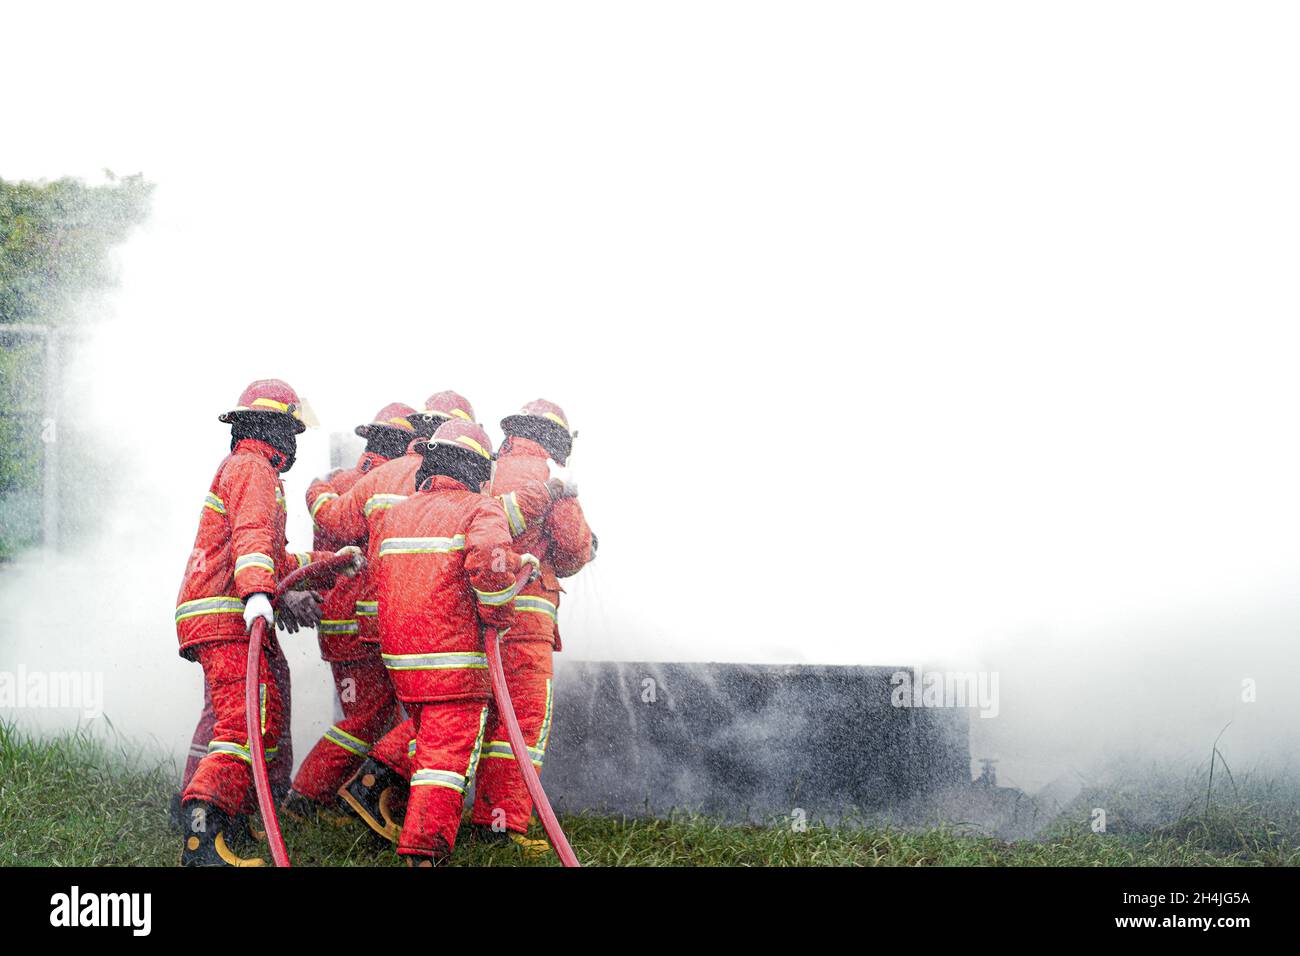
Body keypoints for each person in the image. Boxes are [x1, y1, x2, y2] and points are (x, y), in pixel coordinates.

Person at [175, 379, 360, 866]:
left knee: (264, 709)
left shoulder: (246, 468)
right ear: (274, 430)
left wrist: (329, 562)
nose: (296, 445)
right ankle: (202, 837)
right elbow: (254, 542)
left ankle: (232, 824)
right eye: (293, 433)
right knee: (246, 721)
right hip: (228, 613)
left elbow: (273, 555)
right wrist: (259, 593)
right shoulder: (254, 470)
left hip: (225, 611)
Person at [367, 419, 536, 864]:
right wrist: (499, 611)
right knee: (444, 762)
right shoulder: (481, 508)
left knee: (428, 746)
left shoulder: (396, 513)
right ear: (480, 470)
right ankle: (423, 853)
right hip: (455, 662)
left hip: (404, 664)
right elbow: (490, 566)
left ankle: (376, 789)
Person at [467, 399, 595, 855]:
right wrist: (588, 545)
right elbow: (573, 549)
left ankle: (384, 771)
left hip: (476, 618)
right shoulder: (548, 478)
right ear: (555, 440)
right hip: (526, 623)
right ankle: (500, 828)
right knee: (521, 724)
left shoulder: (482, 468)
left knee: (462, 712)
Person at [282, 402, 419, 823]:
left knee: (369, 716)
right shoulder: (387, 489)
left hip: (340, 625)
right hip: (362, 627)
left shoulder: (338, 483)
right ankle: (308, 796)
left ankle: (347, 797)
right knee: (366, 719)